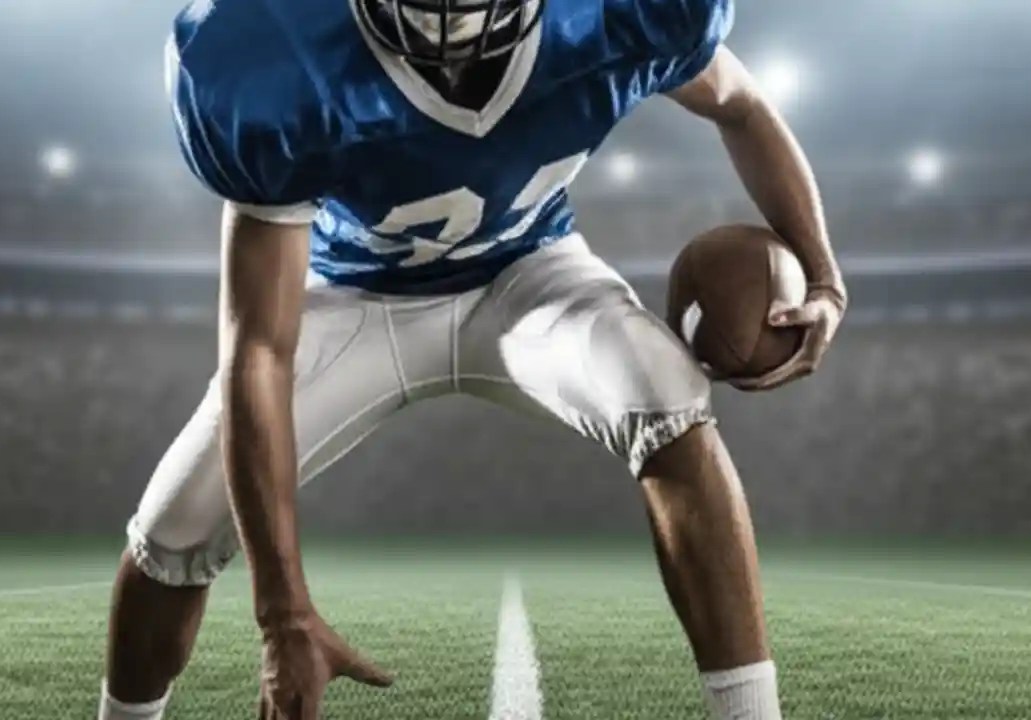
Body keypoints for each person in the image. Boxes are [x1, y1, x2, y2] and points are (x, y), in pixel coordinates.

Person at [97, 0, 847, 718]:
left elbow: (741, 105)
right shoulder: (272, 48)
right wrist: (282, 612)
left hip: (529, 272)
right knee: (173, 530)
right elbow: (258, 349)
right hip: (350, 295)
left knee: (668, 395)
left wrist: (824, 279)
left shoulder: (619, 10)